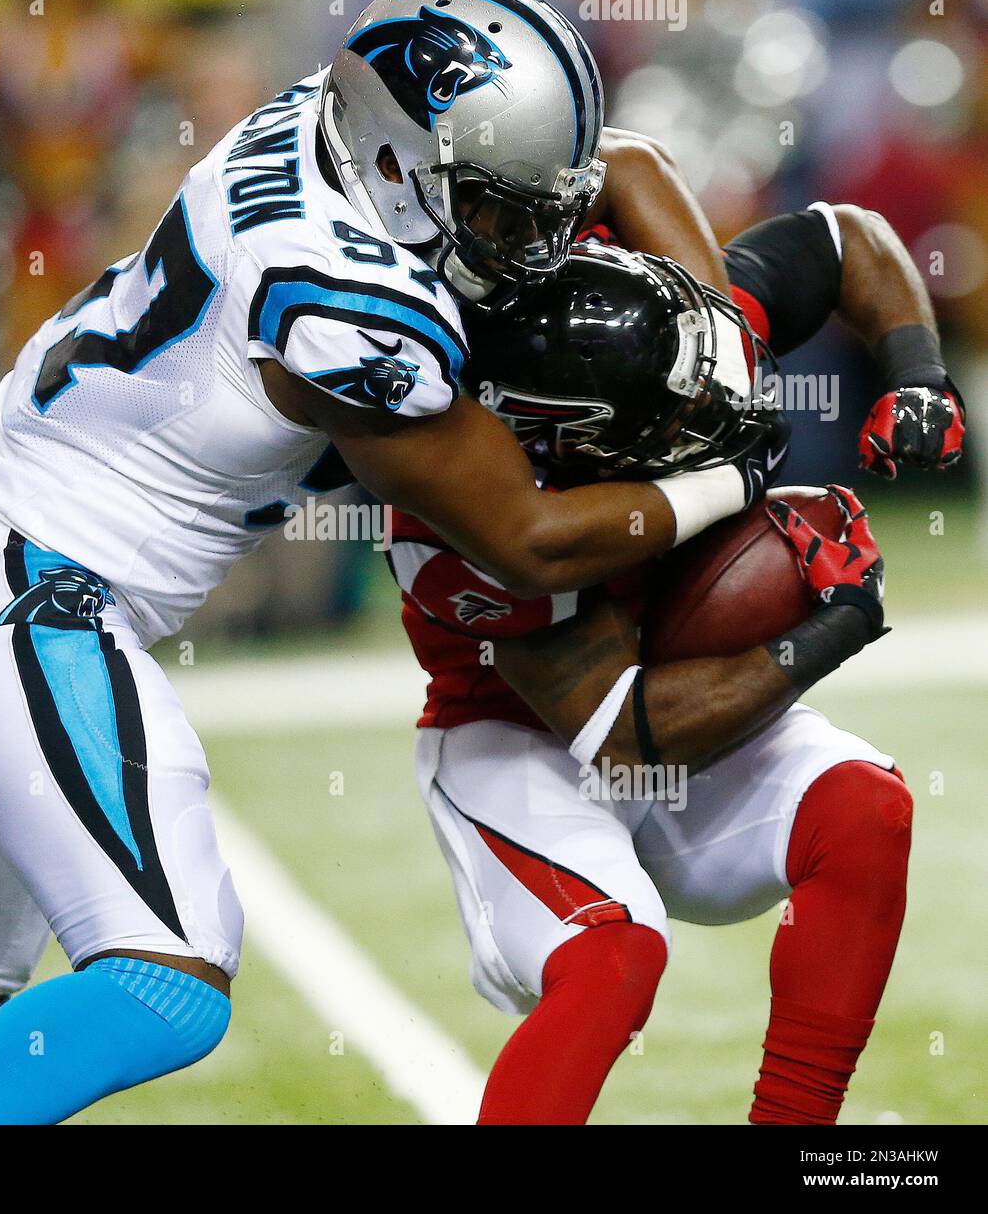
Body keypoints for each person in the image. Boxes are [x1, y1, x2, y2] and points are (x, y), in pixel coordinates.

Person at [0, 0, 782, 1126]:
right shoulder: (343, 303)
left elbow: (624, 163)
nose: (529, 244)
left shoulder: (343, 119)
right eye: (502, 211)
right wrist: (724, 475)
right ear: (403, 167)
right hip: (25, 588)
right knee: (169, 977)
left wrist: (718, 339)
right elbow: (526, 540)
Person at [386, 202, 964, 1124]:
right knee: (611, 957)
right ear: (583, 446)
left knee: (865, 810)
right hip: (523, 744)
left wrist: (919, 375)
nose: (713, 410)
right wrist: (831, 626)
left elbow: (848, 238)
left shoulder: (660, 330)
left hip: (662, 706)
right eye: (675, 415)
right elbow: (624, 738)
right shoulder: (465, 520)